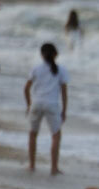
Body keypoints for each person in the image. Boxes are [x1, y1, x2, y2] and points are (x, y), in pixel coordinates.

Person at [23, 43, 70, 175]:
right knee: (56, 135)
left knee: (33, 134)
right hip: (52, 104)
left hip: (36, 103)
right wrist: (64, 110)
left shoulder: (36, 69)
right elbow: (64, 92)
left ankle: (32, 165)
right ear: (55, 54)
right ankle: (54, 168)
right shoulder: (61, 70)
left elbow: (26, 88)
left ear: (42, 54)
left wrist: (28, 105)